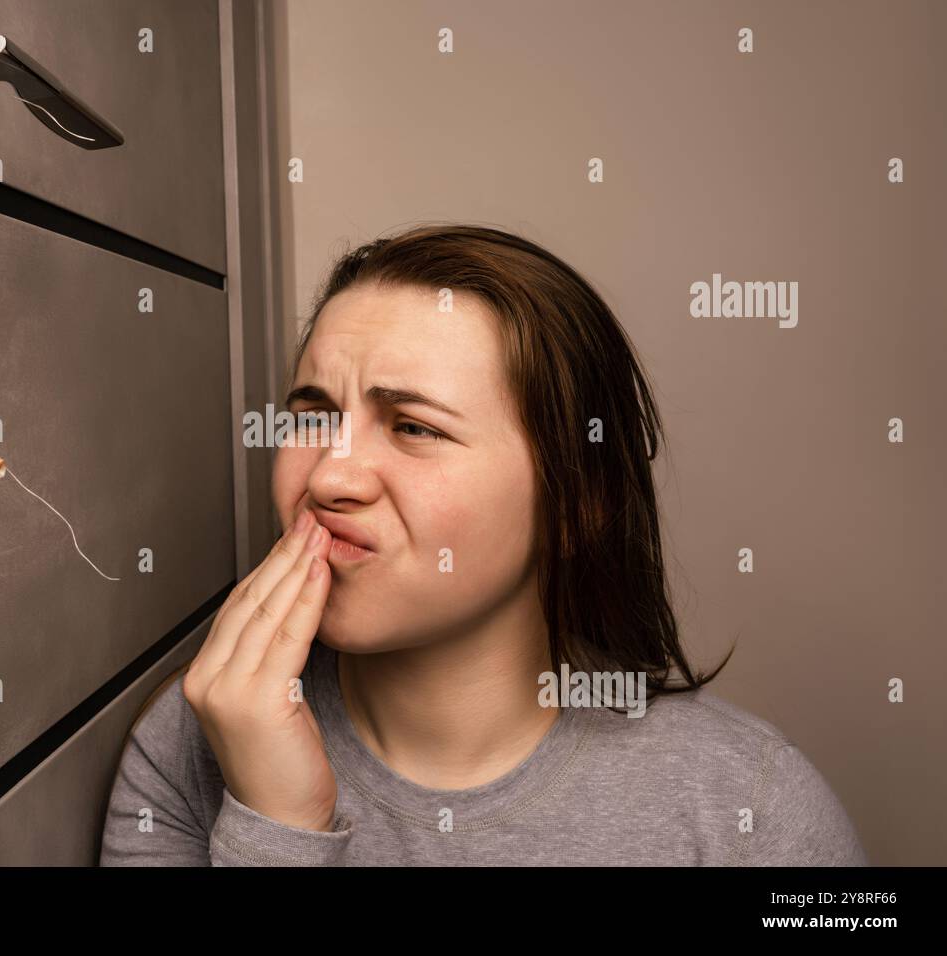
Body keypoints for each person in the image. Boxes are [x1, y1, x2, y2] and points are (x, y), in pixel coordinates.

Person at [99, 224, 867, 866]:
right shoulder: (191, 745)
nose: (328, 475)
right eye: (310, 415)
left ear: (580, 504)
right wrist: (279, 829)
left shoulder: (753, 811)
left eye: (413, 427)